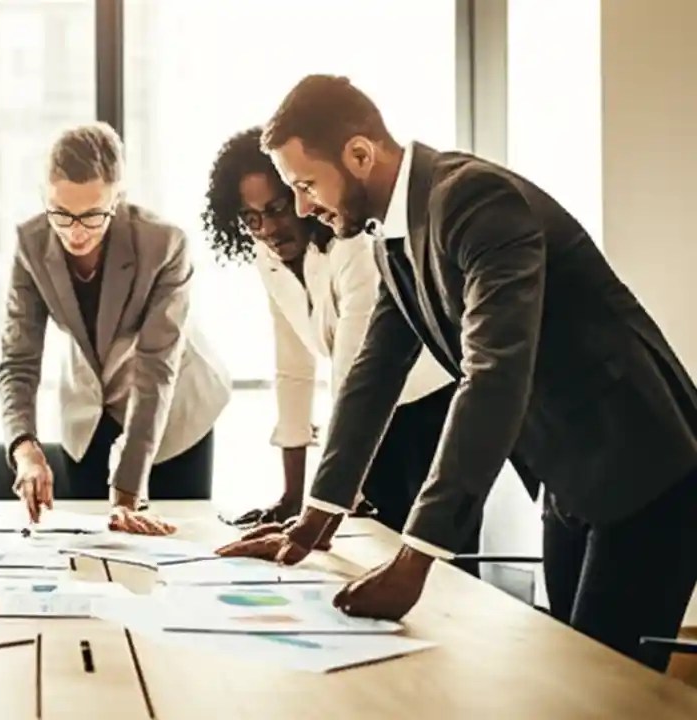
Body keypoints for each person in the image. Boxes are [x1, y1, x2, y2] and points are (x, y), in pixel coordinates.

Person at [219, 74, 697, 671]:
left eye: (305, 184)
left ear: (360, 154)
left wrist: (416, 558)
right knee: (571, 669)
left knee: (606, 685)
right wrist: (313, 521)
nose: (301, 206)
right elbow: (374, 374)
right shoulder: (393, 234)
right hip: (569, 474)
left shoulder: (474, 201)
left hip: (644, 465)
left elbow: (492, 375)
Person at [201, 127, 470, 556]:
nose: (267, 228)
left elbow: (353, 373)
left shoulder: (355, 248)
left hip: (426, 408)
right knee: (367, 554)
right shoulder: (269, 259)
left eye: (276, 208)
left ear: (299, 195)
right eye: (251, 218)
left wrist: (322, 505)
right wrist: (292, 496)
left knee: (430, 558)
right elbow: (293, 368)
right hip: (365, 411)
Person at [0, 122, 232, 534]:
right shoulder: (30, 243)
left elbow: (156, 368)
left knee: (166, 546)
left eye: (92, 215)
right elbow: (19, 359)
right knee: (89, 548)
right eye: (61, 213)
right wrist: (25, 448)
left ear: (117, 198)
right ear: (44, 196)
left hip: (171, 413)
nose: (75, 231)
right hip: (88, 413)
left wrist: (127, 497)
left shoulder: (164, 245)